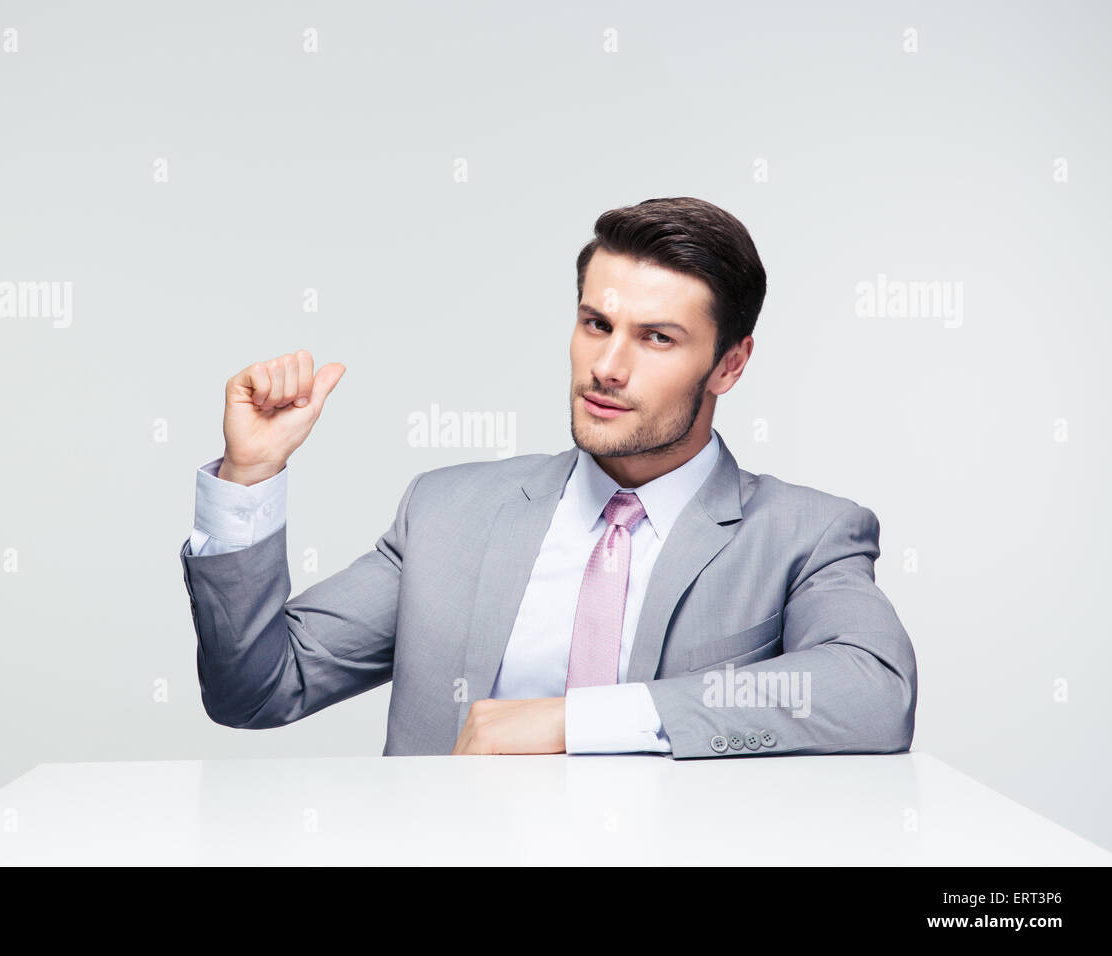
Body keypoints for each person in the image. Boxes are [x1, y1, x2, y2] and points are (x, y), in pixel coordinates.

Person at [178, 197, 917, 758]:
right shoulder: (447, 513)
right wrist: (251, 474)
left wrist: (577, 721)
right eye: (597, 324)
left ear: (730, 363)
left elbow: (875, 695)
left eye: (656, 338)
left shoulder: (804, 534)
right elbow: (258, 691)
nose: (607, 367)